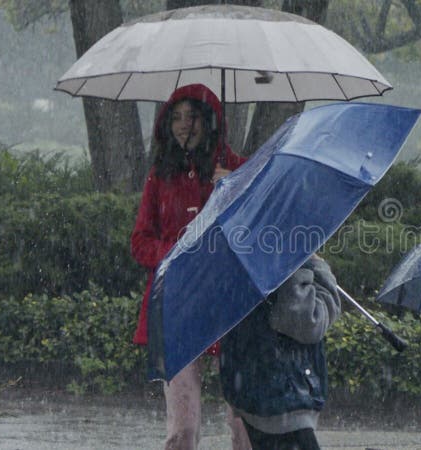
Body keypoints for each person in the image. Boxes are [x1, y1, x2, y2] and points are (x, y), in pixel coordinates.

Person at [130, 83, 250, 450]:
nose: (184, 125)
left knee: (244, 417)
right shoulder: (160, 176)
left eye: (193, 117)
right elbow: (140, 241)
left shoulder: (238, 170)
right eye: (177, 118)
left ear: (210, 121)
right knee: (183, 426)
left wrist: (233, 189)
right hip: (177, 305)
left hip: (228, 303)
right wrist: (174, 253)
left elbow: (257, 231)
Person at [220, 254, 342, 450]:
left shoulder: (248, 255)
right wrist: (318, 267)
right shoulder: (284, 254)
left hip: (255, 387)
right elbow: (308, 322)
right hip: (283, 392)